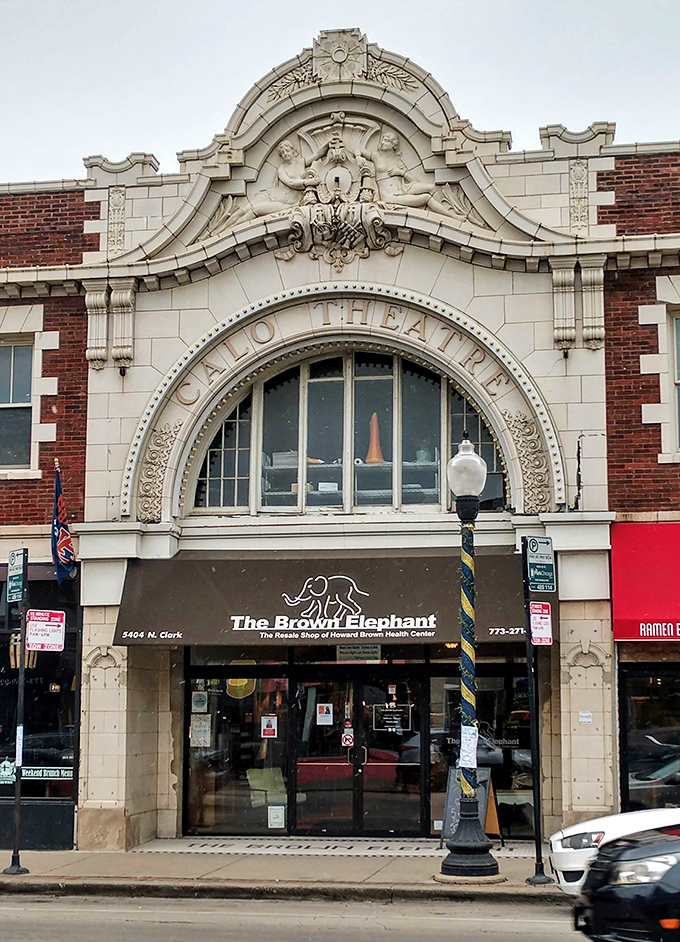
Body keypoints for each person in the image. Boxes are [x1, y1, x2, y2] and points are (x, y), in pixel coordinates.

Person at [356, 131, 462, 219]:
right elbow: (358, 149)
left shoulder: (398, 161)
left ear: (394, 145)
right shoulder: (376, 156)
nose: (383, 142)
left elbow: (414, 180)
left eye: (387, 140)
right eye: (383, 139)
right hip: (390, 196)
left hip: (403, 189)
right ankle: (451, 217)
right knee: (426, 198)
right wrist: (358, 156)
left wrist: (401, 173)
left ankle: (443, 210)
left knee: (431, 187)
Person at [226, 138, 330, 227]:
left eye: (287, 151)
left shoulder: (301, 162)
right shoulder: (281, 168)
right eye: (282, 153)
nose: (285, 154)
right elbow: (290, 182)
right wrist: (308, 182)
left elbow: (318, 154)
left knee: (255, 210)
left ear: (293, 151)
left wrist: (330, 142)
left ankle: (235, 226)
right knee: (242, 210)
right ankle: (225, 228)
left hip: (283, 203)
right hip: (270, 195)